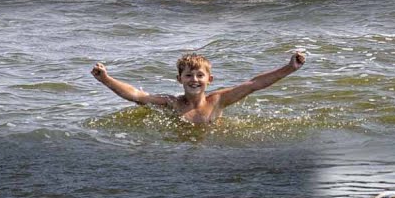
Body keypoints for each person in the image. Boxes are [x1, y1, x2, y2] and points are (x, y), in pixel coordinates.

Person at [91, 50, 306, 124]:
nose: (194, 79)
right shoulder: (172, 103)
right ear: (179, 79)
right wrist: (105, 79)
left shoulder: (218, 100)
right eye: (188, 75)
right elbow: (137, 96)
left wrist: (290, 68)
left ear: (209, 79)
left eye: (200, 75)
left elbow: (254, 84)